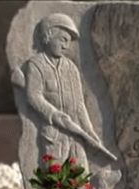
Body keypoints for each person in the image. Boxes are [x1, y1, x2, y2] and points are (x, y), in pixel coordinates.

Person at [24, 13, 116, 171]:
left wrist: (89, 130)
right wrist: (53, 114)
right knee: (55, 177)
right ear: (48, 36)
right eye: (63, 39)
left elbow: (79, 105)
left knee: (80, 174)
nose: (66, 45)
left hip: (76, 133)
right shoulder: (36, 65)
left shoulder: (71, 68)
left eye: (68, 41)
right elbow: (33, 96)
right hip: (54, 134)